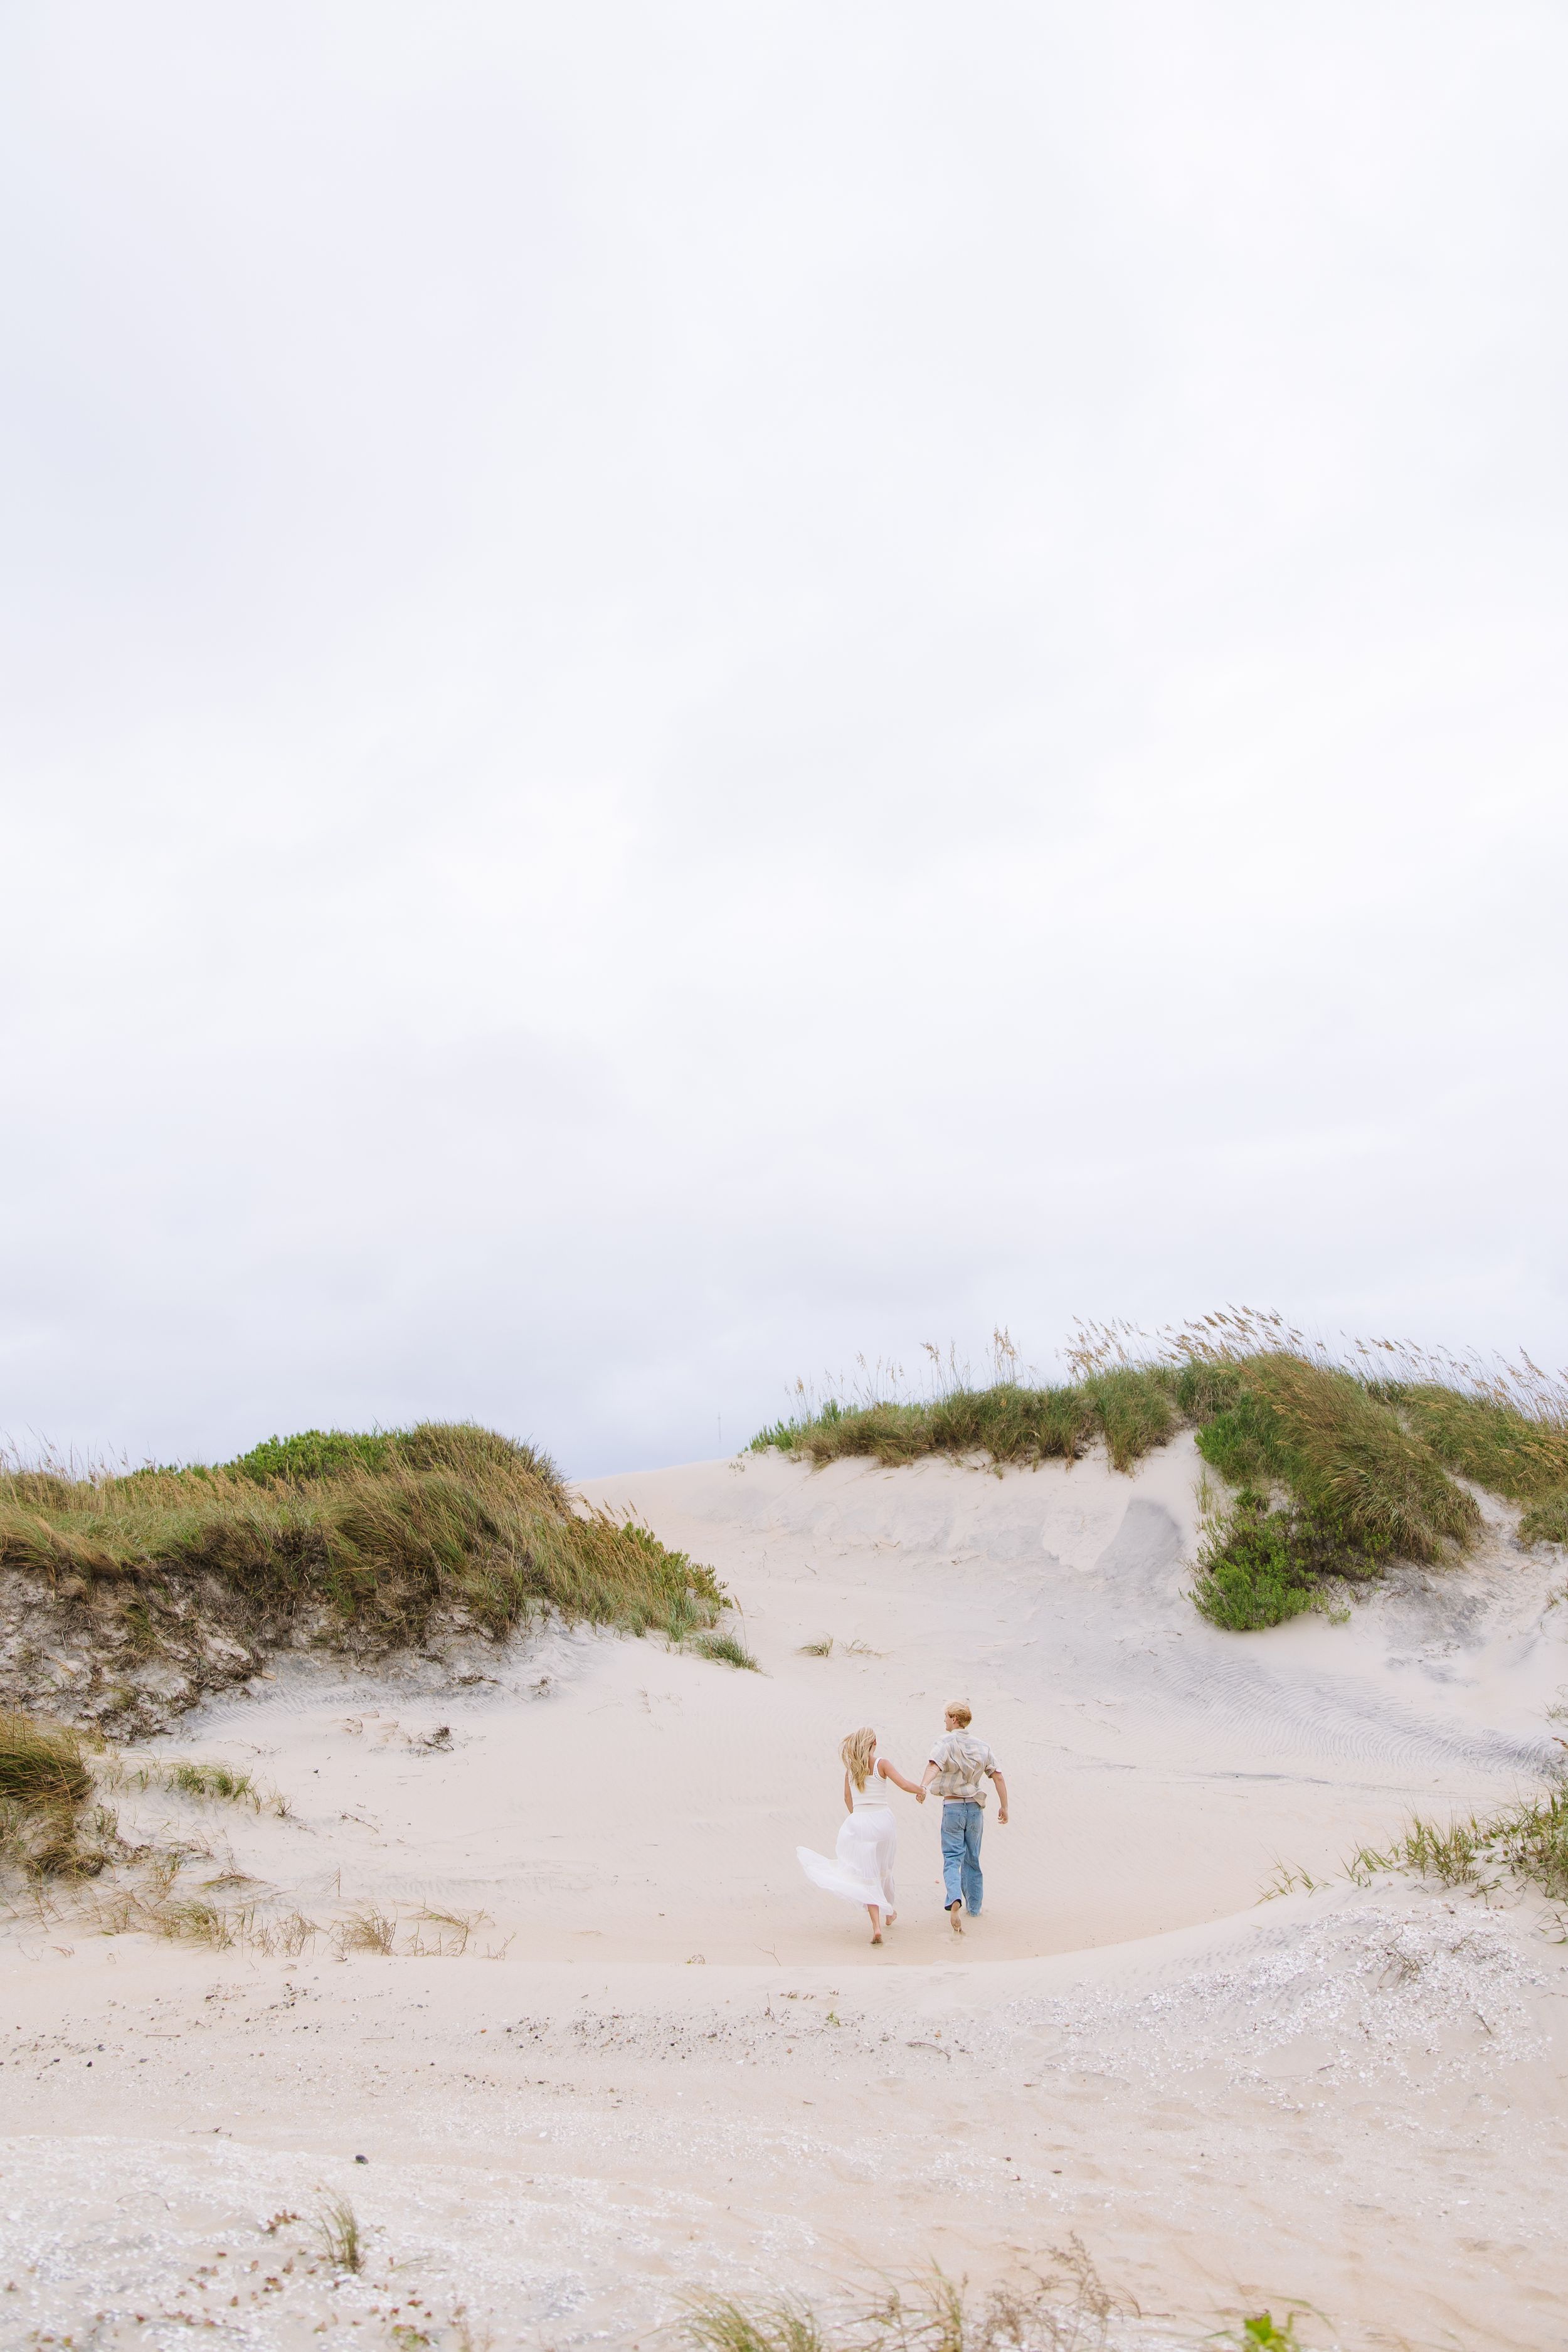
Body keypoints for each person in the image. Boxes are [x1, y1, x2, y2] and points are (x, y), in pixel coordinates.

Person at [797, 1726, 926, 1944]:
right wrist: (921, 1790)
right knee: (884, 1869)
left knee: (869, 1875)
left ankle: (877, 1926)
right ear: (874, 1742)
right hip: (883, 1822)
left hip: (860, 1822)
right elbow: (903, 1784)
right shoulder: (881, 1764)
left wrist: (858, 1819)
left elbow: (847, 1799)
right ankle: (889, 1913)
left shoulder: (851, 1770)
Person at [921, 1700, 1008, 1934]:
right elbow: (997, 1776)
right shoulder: (983, 1746)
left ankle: (954, 1898)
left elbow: (934, 1765)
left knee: (952, 1857)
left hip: (953, 1807)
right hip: (975, 1809)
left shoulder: (945, 1742)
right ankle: (976, 1909)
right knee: (973, 1858)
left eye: (947, 1717)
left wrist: (923, 1786)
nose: (945, 1721)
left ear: (954, 1719)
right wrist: (1004, 1807)